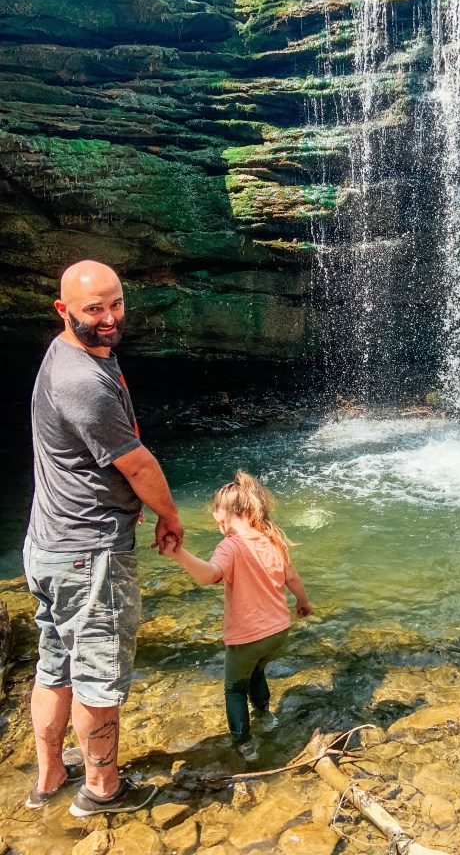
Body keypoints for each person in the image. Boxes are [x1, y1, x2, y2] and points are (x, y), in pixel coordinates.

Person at [24, 260, 184, 817]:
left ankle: (48, 778)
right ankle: (102, 790)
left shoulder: (67, 353)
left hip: (48, 545)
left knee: (55, 666)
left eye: (116, 304)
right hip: (87, 553)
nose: (110, 318)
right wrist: (170, 517)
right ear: (64, 311)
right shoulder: (82, 380)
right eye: (94, 309)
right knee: (98, 675)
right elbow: (138, 465)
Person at [161, 470, 312, 760]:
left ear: (228, 515)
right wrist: (303, 603)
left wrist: (178, 555)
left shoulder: (231, 546)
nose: (218, 526)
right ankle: (266, 716)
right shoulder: (272, 539)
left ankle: (244, 743)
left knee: (234, 688)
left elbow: (210, 575)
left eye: (218, 520)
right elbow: (292, 578)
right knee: (256, 670)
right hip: (278, 632)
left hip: (247, 637)